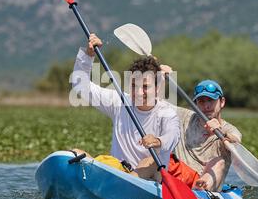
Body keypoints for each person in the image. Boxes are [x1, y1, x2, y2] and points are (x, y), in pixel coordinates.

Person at [70, 34, 180, 182]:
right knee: (75, 154)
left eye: (146, 87)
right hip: (119, 171)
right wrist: (88, 56)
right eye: (134, 86)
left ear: (157, 87)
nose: (139, 93)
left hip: (152, 178)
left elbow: (173, 136)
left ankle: (125, 182)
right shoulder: (120, 101)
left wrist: (157, 141)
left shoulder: (166, 112)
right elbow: (80, 86)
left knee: (148, 162)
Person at [165, 76, 242, 192]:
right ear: (195, 104)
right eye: (201, 101)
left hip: (208, 184)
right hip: (181, 177)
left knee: (219, 162)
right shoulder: (184, 116)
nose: (206, 106)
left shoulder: (230, 130)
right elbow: (152, 101)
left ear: (222, 102)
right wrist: (159, 75)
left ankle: (200, 188)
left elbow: (235, 142)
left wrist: (220, 131)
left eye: (211, 100)